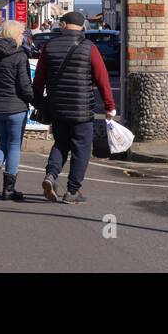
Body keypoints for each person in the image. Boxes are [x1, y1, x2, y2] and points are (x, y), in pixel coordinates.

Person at [33, 11, 115, 204]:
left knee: (61, 143)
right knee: (82, 148)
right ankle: (72, 191)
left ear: (64, 25)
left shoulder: (49, 46)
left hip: (57, 107)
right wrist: (109, 106)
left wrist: (38, 102)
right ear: (82, 26)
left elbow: (38, 80)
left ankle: (51, 176)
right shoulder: (89, 48)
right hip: (82, 110)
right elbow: (102, 79)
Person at [0, 20, 34, 202]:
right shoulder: (20, 56)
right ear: (14, 34)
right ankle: (9, 190)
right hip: (16, 108)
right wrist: (37, 102)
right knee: (13, 146)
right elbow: (25, 87)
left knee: (2, 144)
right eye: (21, 34)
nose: (23, 37)